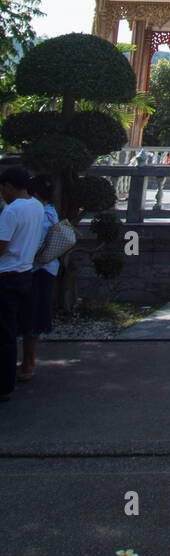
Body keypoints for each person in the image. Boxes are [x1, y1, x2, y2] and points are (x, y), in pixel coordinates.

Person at [0, 167, 44, 401]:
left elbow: (1, 245)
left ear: (7, 187)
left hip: (6, 275)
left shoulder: (11, 211)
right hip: (26, 272)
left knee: (4, 334)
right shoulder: (37, 206)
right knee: (13, 330)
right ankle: (14, 373)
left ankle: (4, 385)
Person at [17, 174, 60, 382]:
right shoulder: (51, 212)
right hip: (47, 269)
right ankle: (27, 361)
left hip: (34, 269)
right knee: (32, 317)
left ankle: (28, 363)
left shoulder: (40, 214)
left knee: (30, 317)